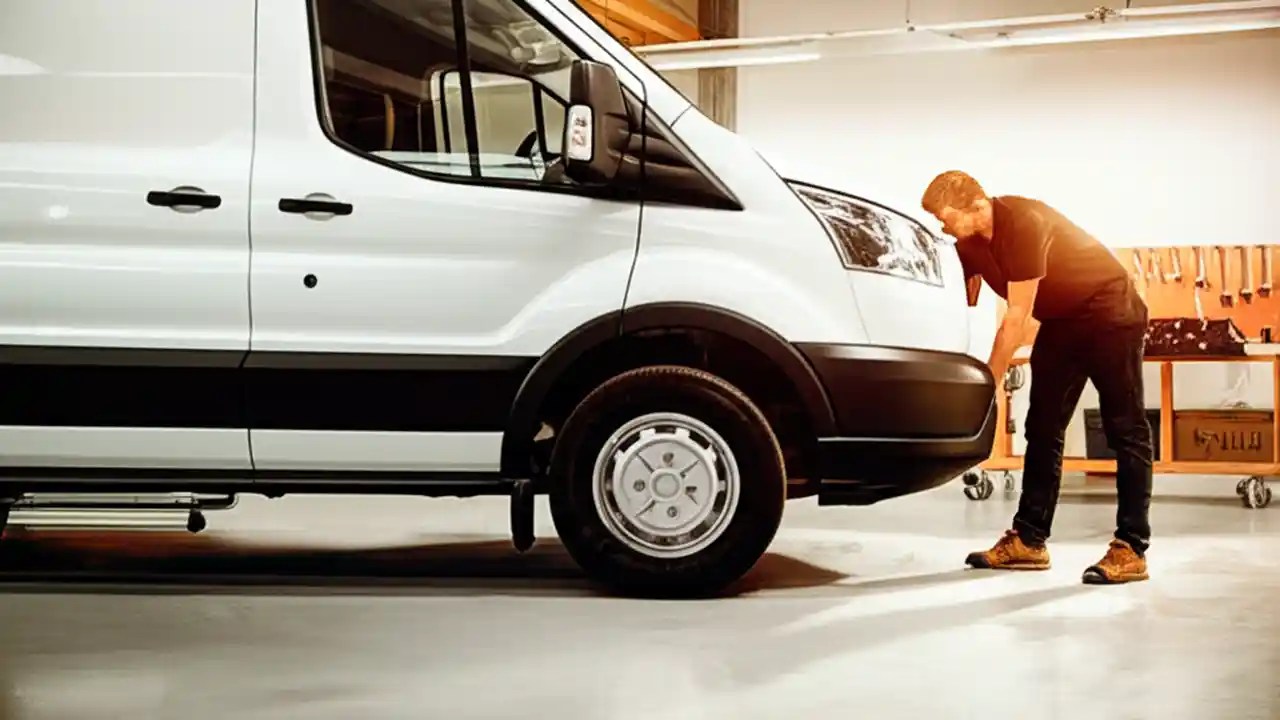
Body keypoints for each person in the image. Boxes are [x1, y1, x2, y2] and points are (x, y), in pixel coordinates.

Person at [921, 170, 1153, 585]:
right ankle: (1029, 541)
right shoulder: (969, 243)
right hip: (1062, 319)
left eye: (946, 216)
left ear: (977, 207)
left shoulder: (1024, 223)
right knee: (1042, 428)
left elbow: (1015, 317)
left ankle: (1131, 547)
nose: (943, 224)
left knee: (1125, 428)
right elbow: (963, 297)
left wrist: (989, 382)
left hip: (1110, 311)